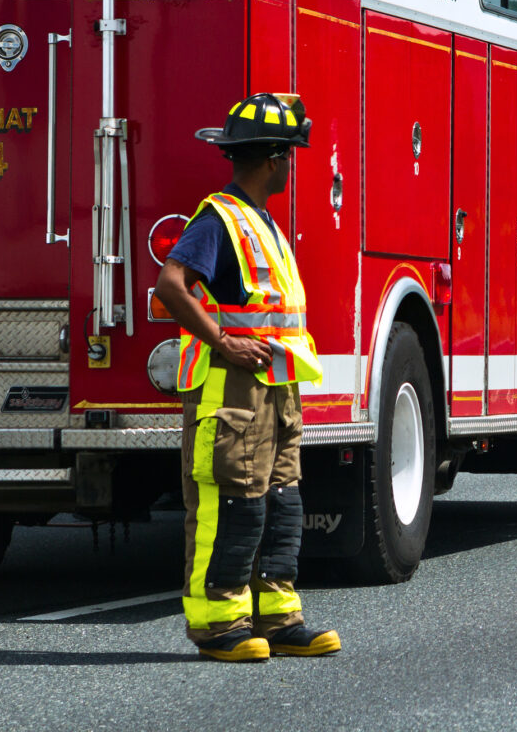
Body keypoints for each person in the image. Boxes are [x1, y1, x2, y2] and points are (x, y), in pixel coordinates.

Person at [154, 93, 341, 662]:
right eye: (290, 155)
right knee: (230, 502)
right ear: (275, 159)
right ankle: (219, 625)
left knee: (279, 500)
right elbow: (171, 285)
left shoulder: (260, 221)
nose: (292, 165)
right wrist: (223, 341)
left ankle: (279, 617)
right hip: (229, 388)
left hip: (274, 390)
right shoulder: (219, 217)